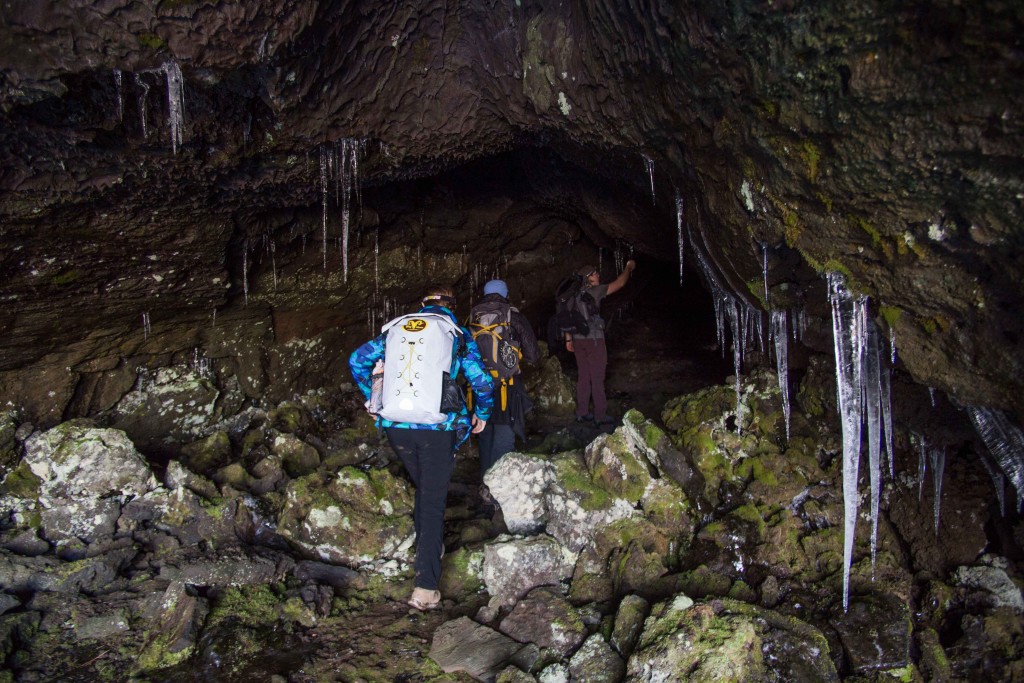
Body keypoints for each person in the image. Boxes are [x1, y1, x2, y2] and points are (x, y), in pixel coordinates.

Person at [349, 285, 494, 611]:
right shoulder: (456, 334)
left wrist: (373, 398)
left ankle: (431, 546)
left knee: (425, 490)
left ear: (423, 305)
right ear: (452, 307)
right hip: (437, 429)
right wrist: (481, 413)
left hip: (395, 428)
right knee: (431, 501)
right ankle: (426, 587)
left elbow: (357, 360)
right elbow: (483, 381)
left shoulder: (397, 330)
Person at [468, 280, 540, 510]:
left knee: (485, 438)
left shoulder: (472, 317)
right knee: (504, 437)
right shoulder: (512, 316)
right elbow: (533, 355)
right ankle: (498, 496)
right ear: (505, 294)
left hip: (478, 389)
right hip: (506, 388)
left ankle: (484, 493)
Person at [565, 260, 636, 425]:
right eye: (595, 273)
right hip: (594, 340)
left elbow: (567, 318)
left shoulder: (573, 295)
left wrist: (568, 339)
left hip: (578, 341)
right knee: (597, 378)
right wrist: (628, 268)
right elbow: (620, 283)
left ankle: (582, 412)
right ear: (589, 278)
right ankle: (600, 415)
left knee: (583, 376)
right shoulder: (595, 291)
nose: (598, 275)